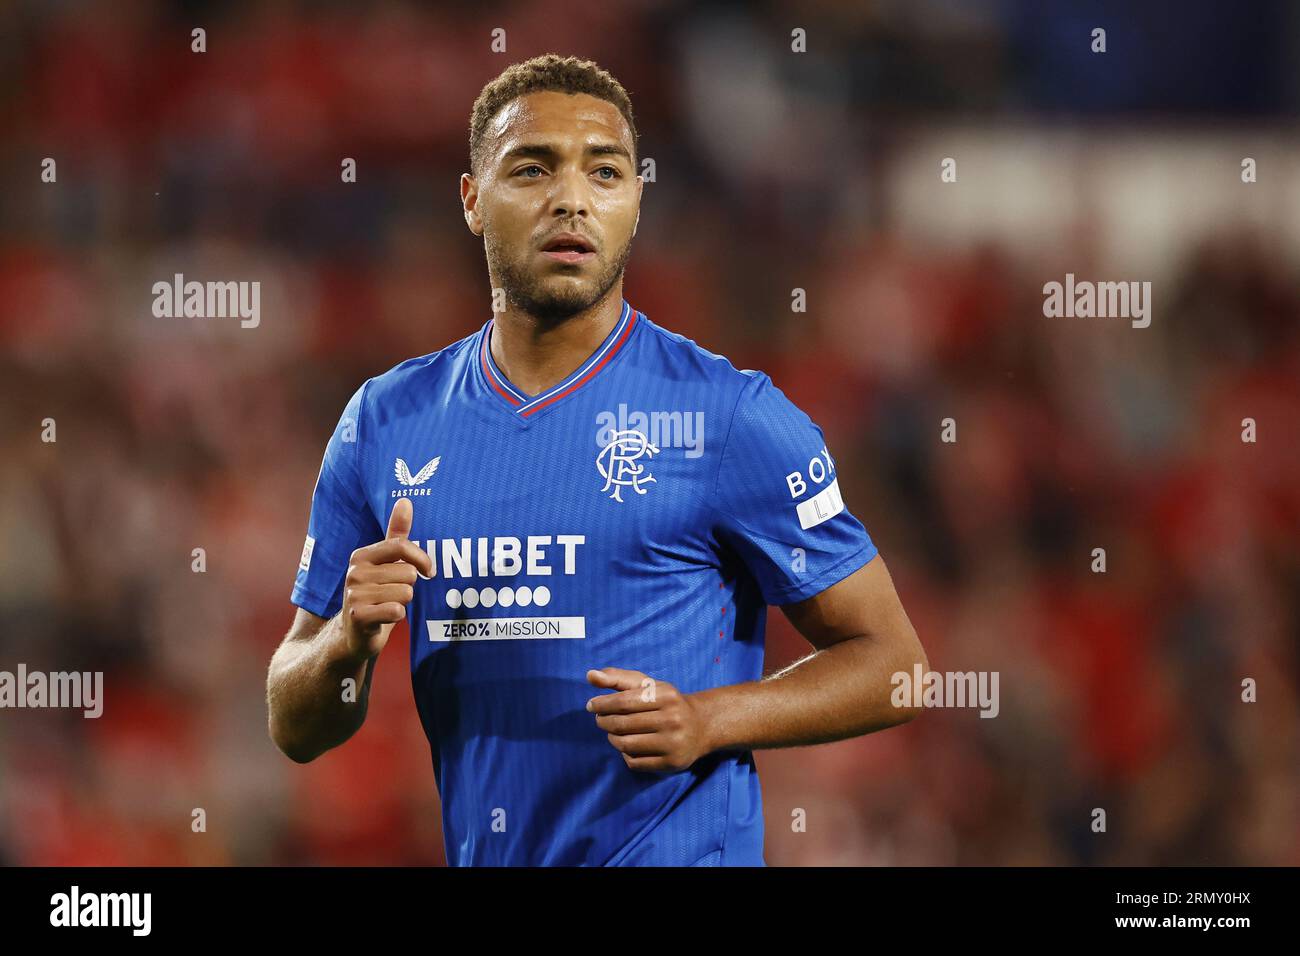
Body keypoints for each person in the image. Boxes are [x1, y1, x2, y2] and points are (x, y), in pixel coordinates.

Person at [266, 53, 927, 866]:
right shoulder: (385, 421)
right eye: (532, 168)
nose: (571, 198)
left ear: (635, 204)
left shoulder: (728, 417)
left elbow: (896, 667)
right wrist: (348, 644)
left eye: (604, 172)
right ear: (473, 201)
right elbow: (293, 723)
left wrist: (710, 719)